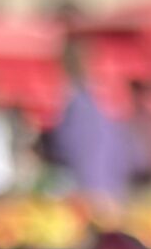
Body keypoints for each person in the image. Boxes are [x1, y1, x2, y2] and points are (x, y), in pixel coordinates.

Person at [51, 43, 134, 209]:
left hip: (98, 185)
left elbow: (76, 144)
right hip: (96, 185)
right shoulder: (79, 97)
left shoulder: (82, 97)